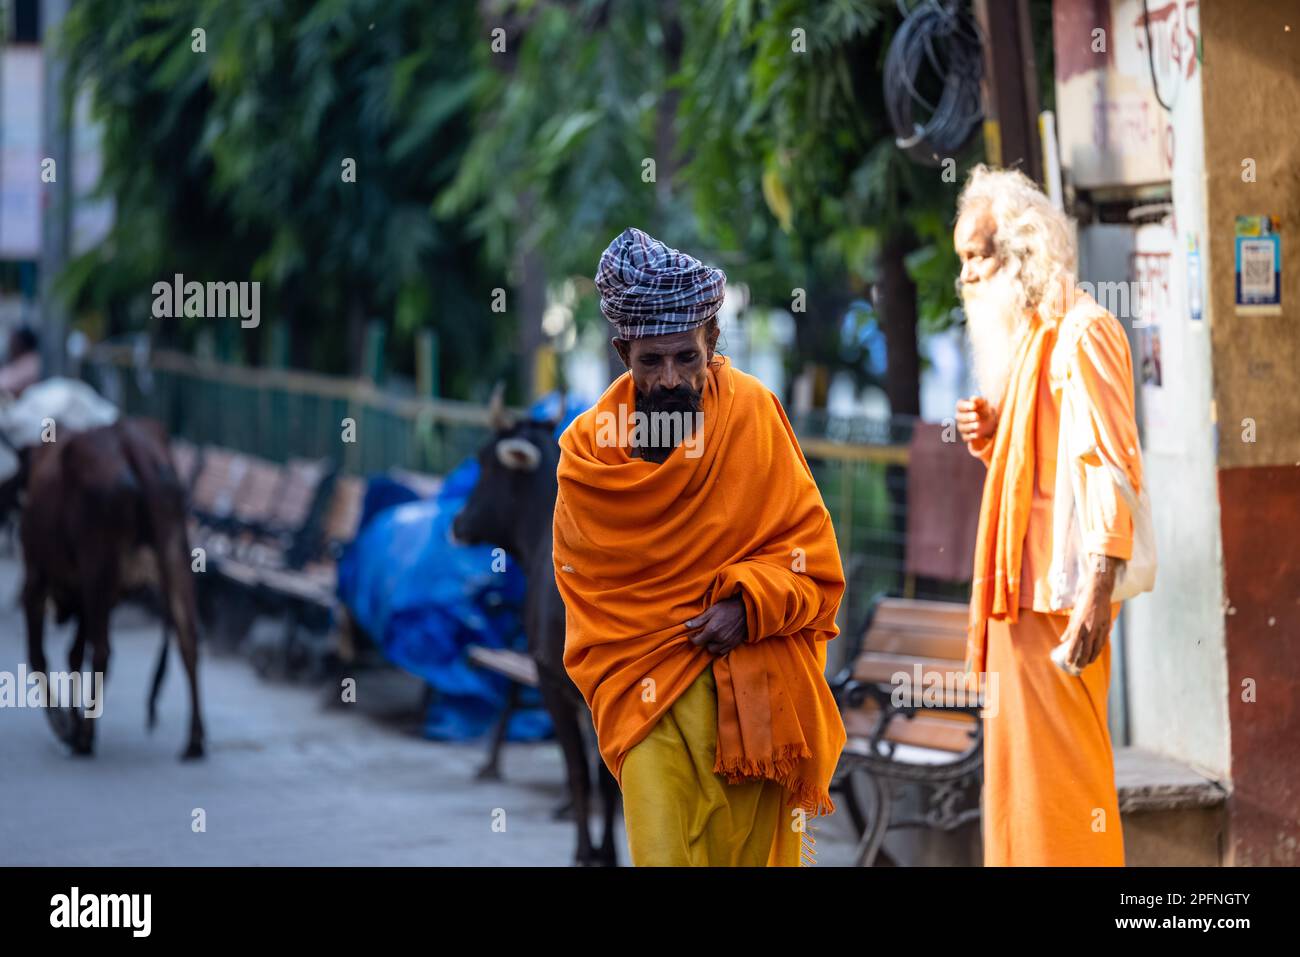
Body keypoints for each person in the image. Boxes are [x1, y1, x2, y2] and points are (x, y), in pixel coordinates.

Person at [553, 227, 847, 866]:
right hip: (644, 703)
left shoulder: (754, 416)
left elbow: (816, 567)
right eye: (650, 361)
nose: (669, 379)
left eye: (686, 357)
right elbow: (587, 598)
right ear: (621, 351)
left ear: (712, 342)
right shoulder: (588, 457)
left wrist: (750, 606)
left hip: (754, 704)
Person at [954, 165, 1143, 866]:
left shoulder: (1081, 332)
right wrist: (994, 436)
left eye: (979, 256)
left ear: (1022, 250)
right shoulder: (1033, 341)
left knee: (1065, 790)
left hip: (1061, 600)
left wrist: (1099, 588)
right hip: (1016, 599)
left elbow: (1109, 469)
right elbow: (1042, 474)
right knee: (1016, 789)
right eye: (963, 261)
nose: (967, 276)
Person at [0, 326, 42, 398]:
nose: (10, 343)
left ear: (22, 342)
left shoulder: (30, 362)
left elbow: (9, 385)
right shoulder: (16, 360)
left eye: (14, 340)